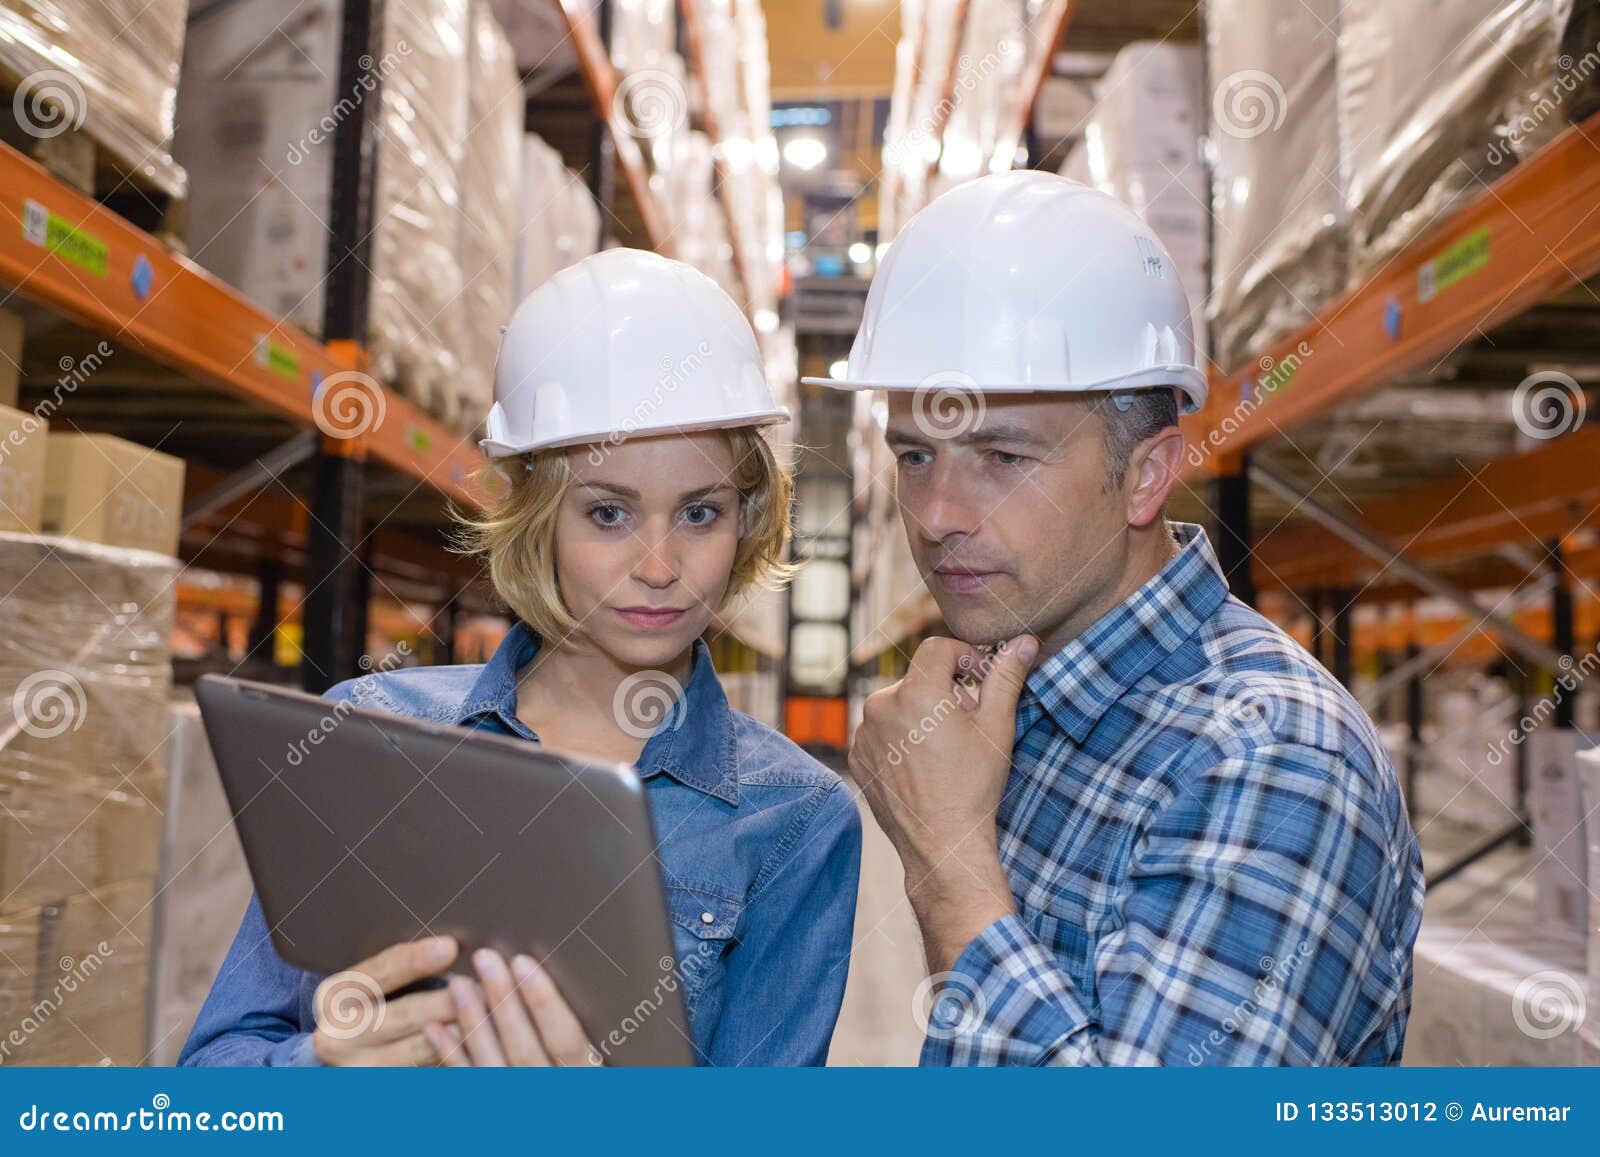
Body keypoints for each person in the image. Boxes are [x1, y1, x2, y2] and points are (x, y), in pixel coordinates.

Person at [181, 249, 862, 1068]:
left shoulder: (793, 820)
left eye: (700, 512)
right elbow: (212, 1073)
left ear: (747, 520)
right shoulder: (372, 732)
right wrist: (325, 1071)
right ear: (537, 516)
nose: (657, 563)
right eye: (608, 513)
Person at [807, 171, 1424, 1066]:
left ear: (1145, 474)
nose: (936, 512)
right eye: (914, 454)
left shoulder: (1270, 759)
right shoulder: (1022, 697)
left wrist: (946, 859)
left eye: (1002, 455)